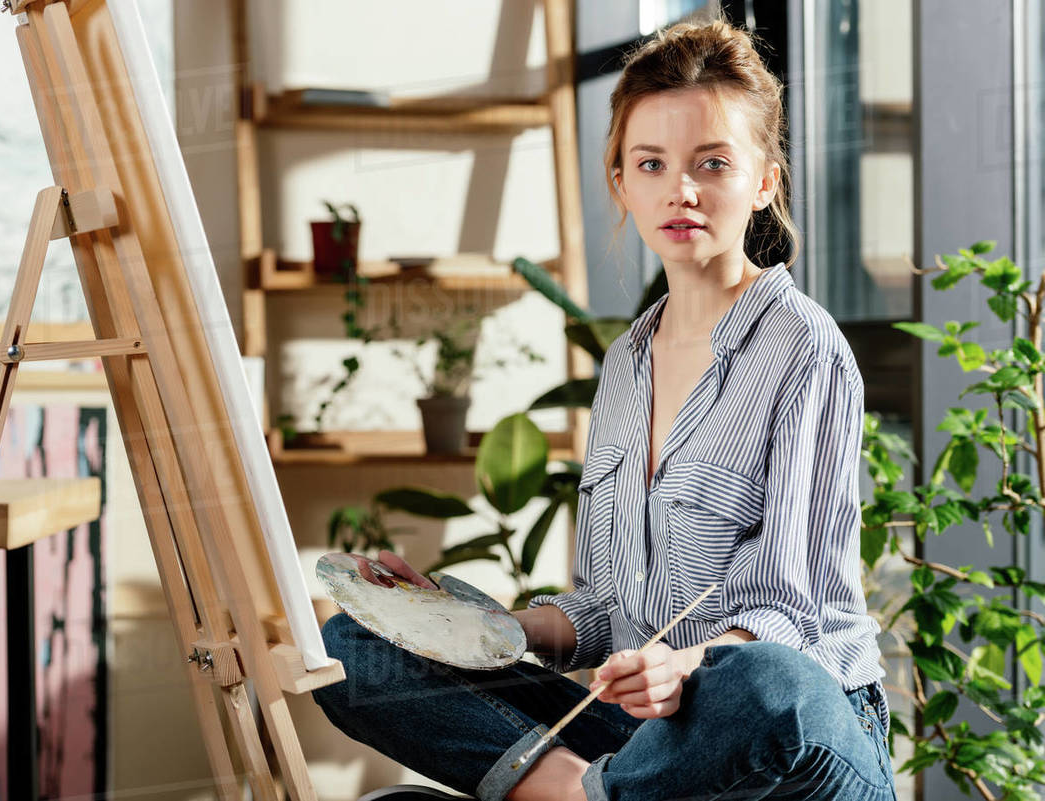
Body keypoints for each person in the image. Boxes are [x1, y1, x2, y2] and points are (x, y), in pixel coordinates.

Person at [312, 16, 895, 801]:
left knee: (762, 682)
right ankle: (584, 789)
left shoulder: (805, 348)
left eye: (712, 162)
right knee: (356, 649)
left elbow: (792, 612)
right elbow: (605, 606)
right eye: (651, 163)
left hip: (789, 750)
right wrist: (476, 628)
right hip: (646, 751)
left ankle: (574, 791)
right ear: (622, 180)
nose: (680, 190)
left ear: (763, 179)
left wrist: (684, 663)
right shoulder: (625, 366)